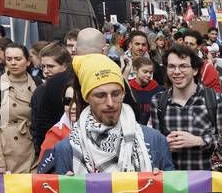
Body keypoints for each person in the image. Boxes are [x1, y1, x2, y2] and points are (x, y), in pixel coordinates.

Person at [41, 54, 172, 174]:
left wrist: (160, 186)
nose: (110, 103)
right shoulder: (66, 149)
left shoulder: (155, 141)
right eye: (100, 95)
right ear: (87, 97)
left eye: (116, 94)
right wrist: (67, 192)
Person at [151, 44, 220, 170]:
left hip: (207, 181)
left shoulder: (215, 100)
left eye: (183, 66)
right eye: (171, 66)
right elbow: (154, 144)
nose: (177, 72)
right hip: (171, 182)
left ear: (195, 70)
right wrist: (164, 145)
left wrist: (198, 140)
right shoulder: (158, 101)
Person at [0, 42, 39, 174]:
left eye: (18, 59)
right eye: (9, 59)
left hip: (34, 149)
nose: (13, 63)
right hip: (8, 151)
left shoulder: (39, 85)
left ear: (28, 62)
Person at [30, 43, 74, 155]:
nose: (45, 71)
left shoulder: (75, 88)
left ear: (65, 65)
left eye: (50, 66)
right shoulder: (40, 90)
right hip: (50, 149)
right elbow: (37, 125)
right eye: (43, 67)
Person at [127, 56, 161, 126]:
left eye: (151, 72)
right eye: (145, 72)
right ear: (135, 70)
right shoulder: (129, 88)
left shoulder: (157, 89)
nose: (148, 75)